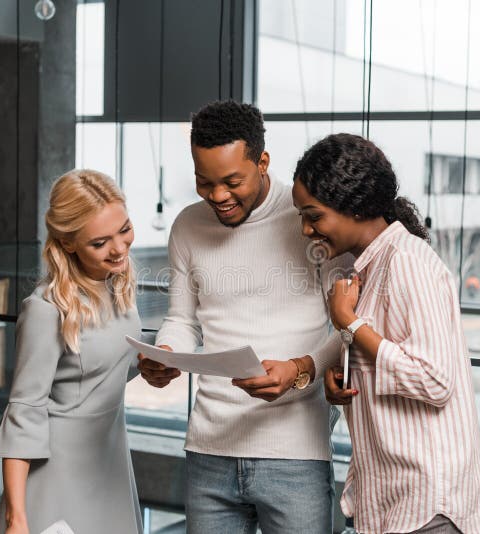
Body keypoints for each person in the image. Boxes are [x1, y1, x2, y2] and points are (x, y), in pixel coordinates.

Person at [137, 101, 342, 534]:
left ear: (262, 162)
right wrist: (167, 353)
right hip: (209, 448)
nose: (218, 197)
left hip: (296, 452)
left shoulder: (310, 219)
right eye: (204, 182)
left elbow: (347, 327)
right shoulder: (187, 226)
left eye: (232, 182)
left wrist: (300, 370)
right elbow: (183, 320)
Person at [292, 134, 480, 534]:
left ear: (353, 205)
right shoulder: (371, 266)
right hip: (396, 500)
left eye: (313, 216)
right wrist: (346, 385)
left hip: (427, 507)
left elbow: (434, 380)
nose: (305, 230)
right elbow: (395, 360)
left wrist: (348, 321)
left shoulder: (407, 261)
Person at [0, 170, 143, 534]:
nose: (119, 249)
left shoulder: (117, 284)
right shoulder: (45, 309)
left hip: (110, 466)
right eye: (100, 242)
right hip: (57, 476)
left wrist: (148, 365)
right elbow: (24, 411)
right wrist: (17, 518)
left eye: (124, 230)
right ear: (69, 243)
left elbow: (103, 366)